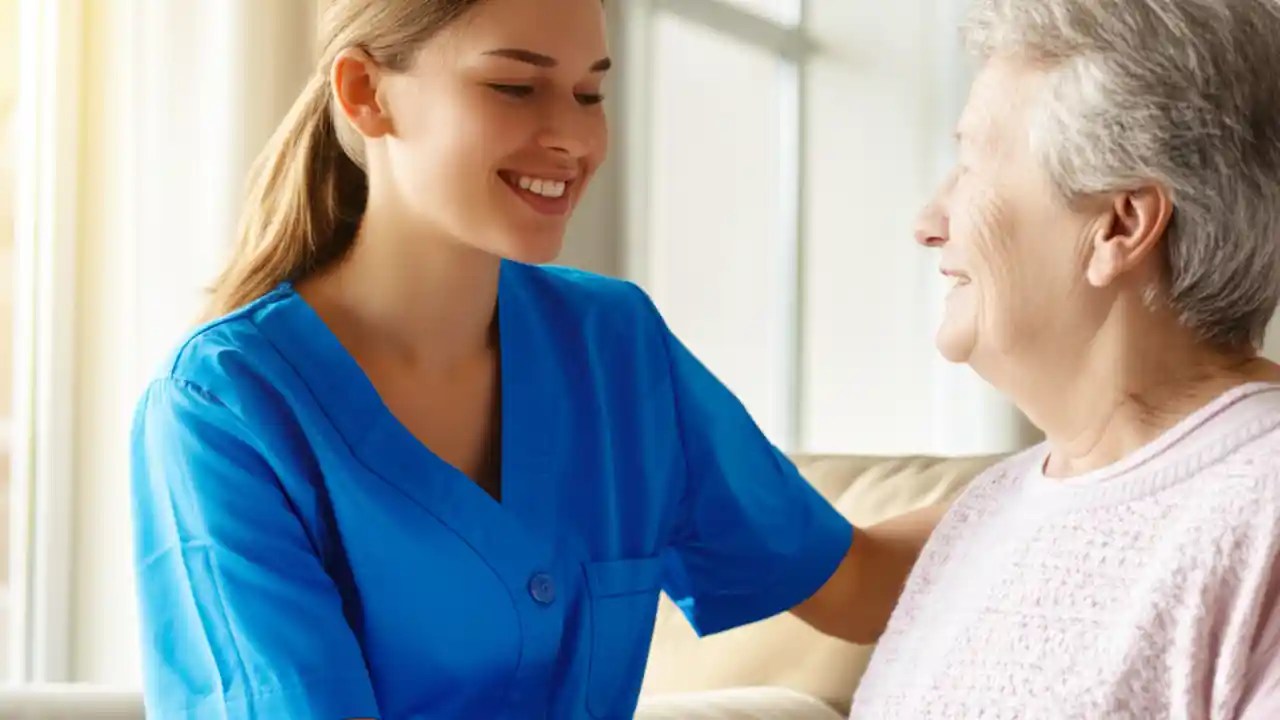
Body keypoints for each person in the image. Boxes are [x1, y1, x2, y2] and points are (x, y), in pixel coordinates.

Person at [129, 0, 934, 717]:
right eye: (515, 87)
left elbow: (856, 585)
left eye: (591, 93)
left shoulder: (618, 349)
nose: (574, 137)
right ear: (365, 93)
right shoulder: (224, 407)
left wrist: (1061, 457)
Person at [850, 0, 1280, 717]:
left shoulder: (1262, 505)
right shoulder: (992, 510)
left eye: (968, 168)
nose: (928, 224)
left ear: (1121, 224)